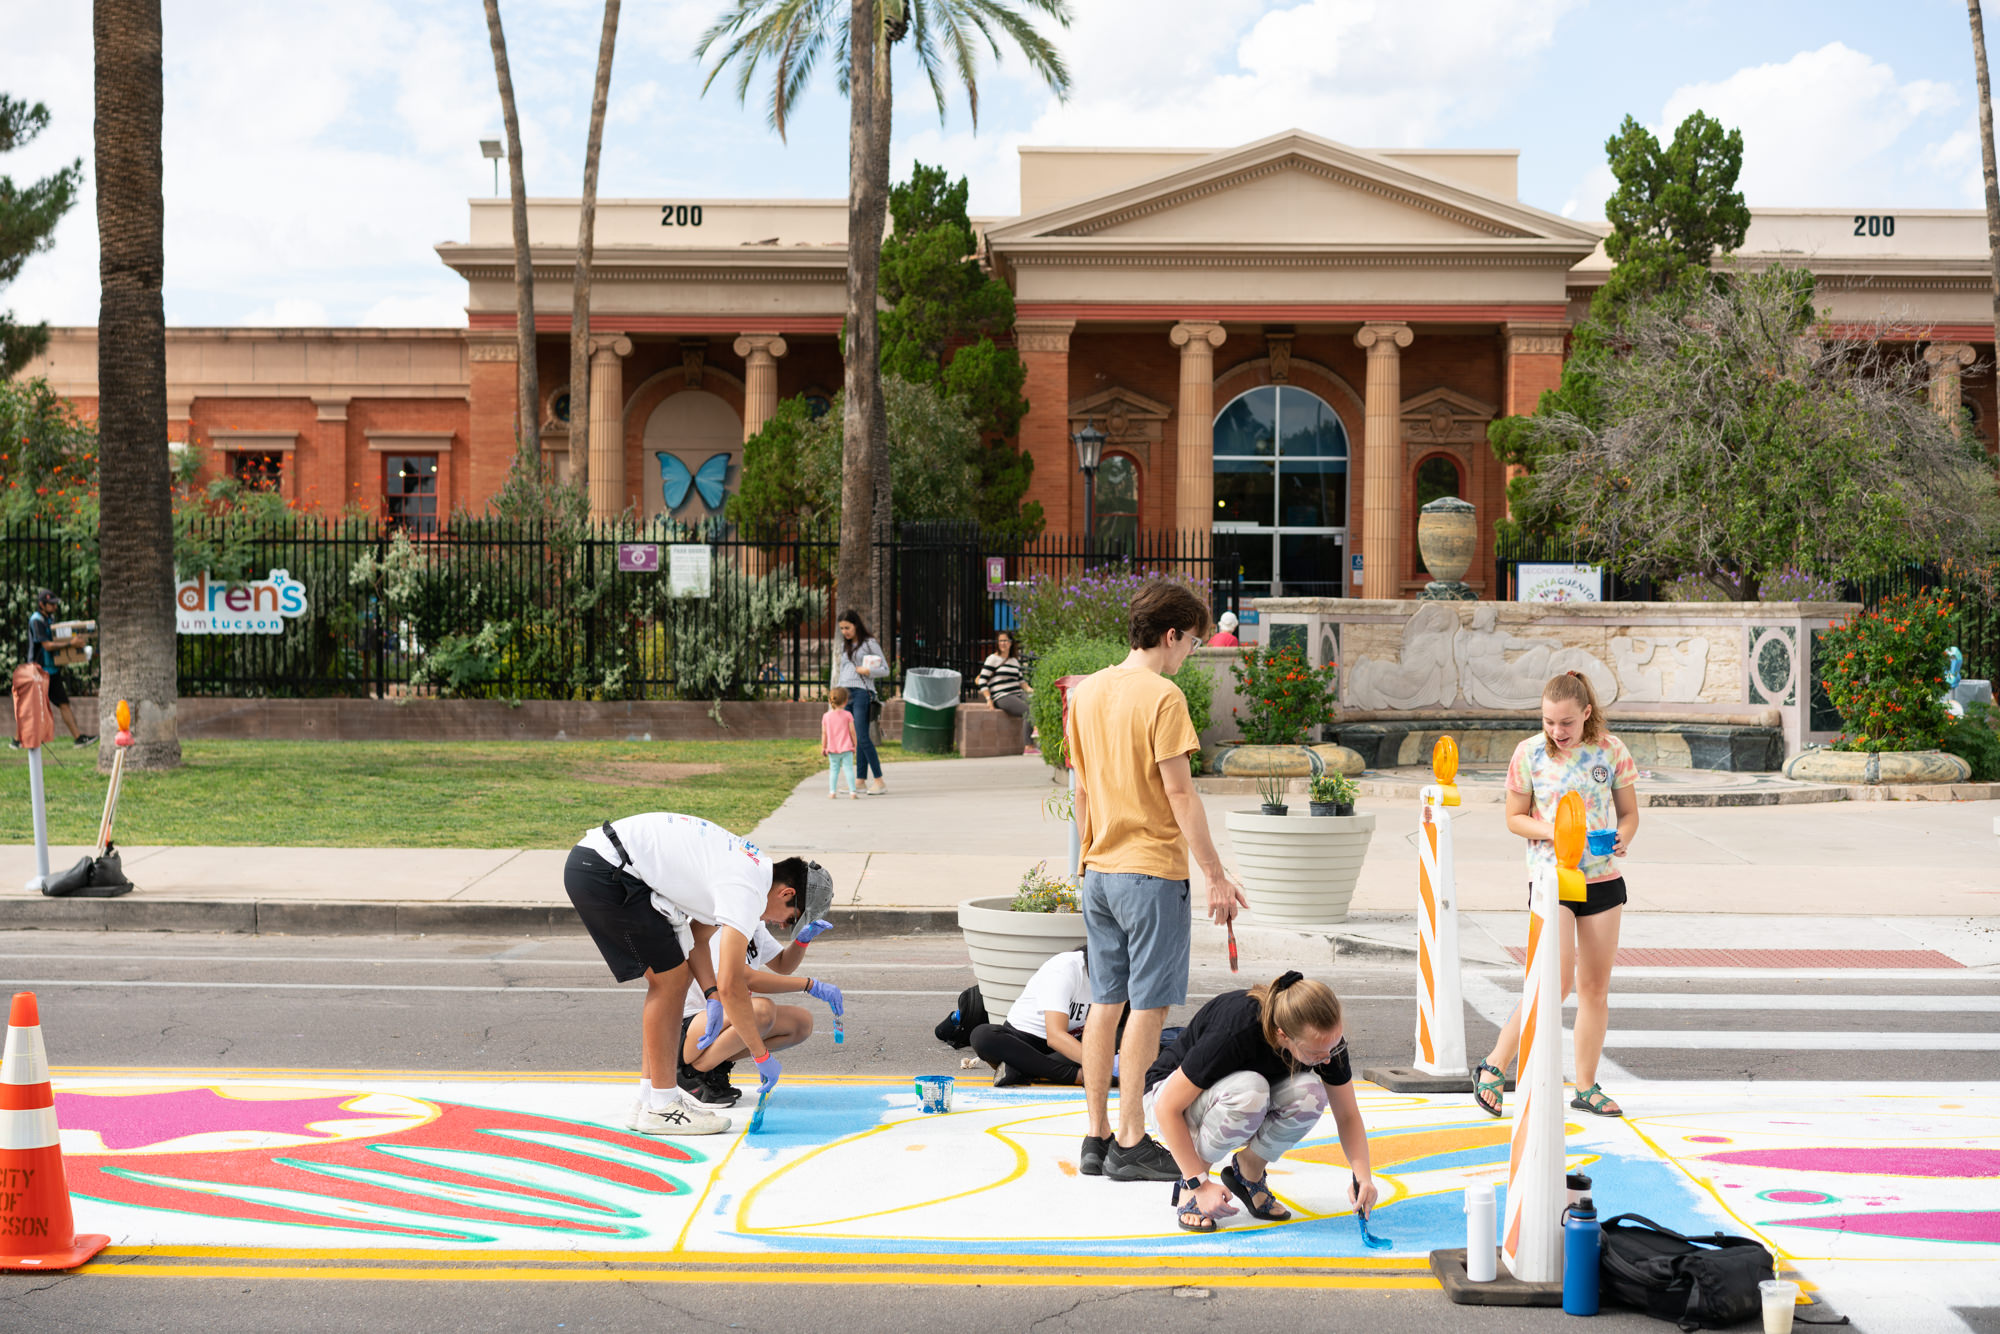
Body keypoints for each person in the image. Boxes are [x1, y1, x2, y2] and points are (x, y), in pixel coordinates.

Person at [1066, 579, 1246, 1182]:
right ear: (1170, 636)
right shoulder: (1163, 696)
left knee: (1104, 1003)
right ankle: (1131, 1138)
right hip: (1150, 869)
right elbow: (1180, 791)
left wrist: (1084, 859)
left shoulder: (1086, 694)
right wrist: (1216, 875)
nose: (1191, 652)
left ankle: (1095, 1135)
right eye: (1192, 641)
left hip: (1100, 868)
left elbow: (1083, 790)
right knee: (1147, 1005)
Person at [563, 812, 834, 1136]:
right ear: (786, 894)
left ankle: (648, 1099)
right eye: (791, 920)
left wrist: (710, 994)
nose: (782, 926)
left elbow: (698, 939)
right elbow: (734, 984)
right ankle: (662, 1106)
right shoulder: (746, 889)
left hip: (604, 864)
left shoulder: (751, 873)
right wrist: (761, 1056)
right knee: (670, 981)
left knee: (671, 979)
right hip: (608, 868)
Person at [1475, 669, 1639, 1120]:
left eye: (1566, 722)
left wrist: (1623, 836)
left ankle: (1586, 1086)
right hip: (1552, 880)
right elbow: (1513, 817)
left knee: (1594, 988)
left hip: (1602, 880)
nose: (1556, 731)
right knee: (1555, 980)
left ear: (1587, 713)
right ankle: (1494, 1065)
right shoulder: (1528, 753)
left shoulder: (1612, 751)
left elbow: (1629, 814)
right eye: (1549, 721)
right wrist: (1555, 832)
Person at [1146, 971, 1376, 1233]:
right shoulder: (1237, 1028)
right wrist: (1198, 1183)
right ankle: (1192, 1183)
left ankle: (1248, 1173)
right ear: (1282, 1035)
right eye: (1315, 1053)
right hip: (1166, 1097)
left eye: (1333, 1047)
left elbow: (1347, 1115)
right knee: (1251, 1091)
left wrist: (1362, 1176)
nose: (1327, 1059)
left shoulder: (1324, 1042)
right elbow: (1167, 1107)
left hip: (1227, 1099)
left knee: (1310, 1094)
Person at [678, 916, 844, 1109]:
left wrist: (802, 940)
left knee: (800, 1023)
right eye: (791, 913)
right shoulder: (720, 920)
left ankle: (716, 1065)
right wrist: (809, 985)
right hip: (689, 1026)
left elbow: (783, 964)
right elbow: (744, 977)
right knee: (761, 1011)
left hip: (720, 1020)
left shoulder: (753, 923)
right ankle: (690, 1075)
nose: (784, 923)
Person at [969, 947, 1092, 1087]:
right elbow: (1056, 1037)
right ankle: (1074, 1075)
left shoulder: (1119, 976)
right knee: (983, 1036)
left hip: (1073, 1045)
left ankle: (1022, 1068)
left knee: (1118, 1037)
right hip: (1025, 1041)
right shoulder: (1065, 968)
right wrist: (1099, 1065)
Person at [19, 590, 94, 748]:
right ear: (42, 604)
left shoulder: (49, 619)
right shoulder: (36, 620)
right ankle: (18, 739)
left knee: (63, 703)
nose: (55, 606)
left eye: (55, 603)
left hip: (51, 670)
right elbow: (47, 645)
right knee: (33, 706)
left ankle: (78, 738)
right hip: (38, 671)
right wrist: (70, 645)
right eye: (51, 604)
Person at [832, 609, 887, 795]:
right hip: (845, 694)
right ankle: (860, 781)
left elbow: (885, 669)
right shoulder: (844, 646)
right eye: (842, 629)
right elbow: (843, 670)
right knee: (856, 739)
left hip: (862, 692)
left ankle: (879, 781)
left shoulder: (869, 643)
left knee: (863, 736)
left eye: (847, 627)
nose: (845, 632)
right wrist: (837, 694)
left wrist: (868, 671)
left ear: (856, 625)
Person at [975, 630, 1033, 746]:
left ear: (1011, 643)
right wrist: (988, 700)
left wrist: (1033, 691)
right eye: (1001, 641)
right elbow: (982, 680)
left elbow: (1021, 682)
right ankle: (1029, 745)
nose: (1003, 643)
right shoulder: (992, 659)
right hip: (1002, 696)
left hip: (1017, 693)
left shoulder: (1014, 661)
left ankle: (1037, 732)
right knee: (1027, 711)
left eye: (1005, 640)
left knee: (1037, 704)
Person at [823, 686, 859, 799]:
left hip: (832, 749)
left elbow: (824, 734)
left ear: (830, 700)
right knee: (848, 769)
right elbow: (852, 732)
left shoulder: (826, 716)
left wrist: (824, 747)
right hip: (846, 748)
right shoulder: (848, 715)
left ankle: (832, 792)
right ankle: (853, 792)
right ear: (845, 701)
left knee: (833, 769)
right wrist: (855, 744)